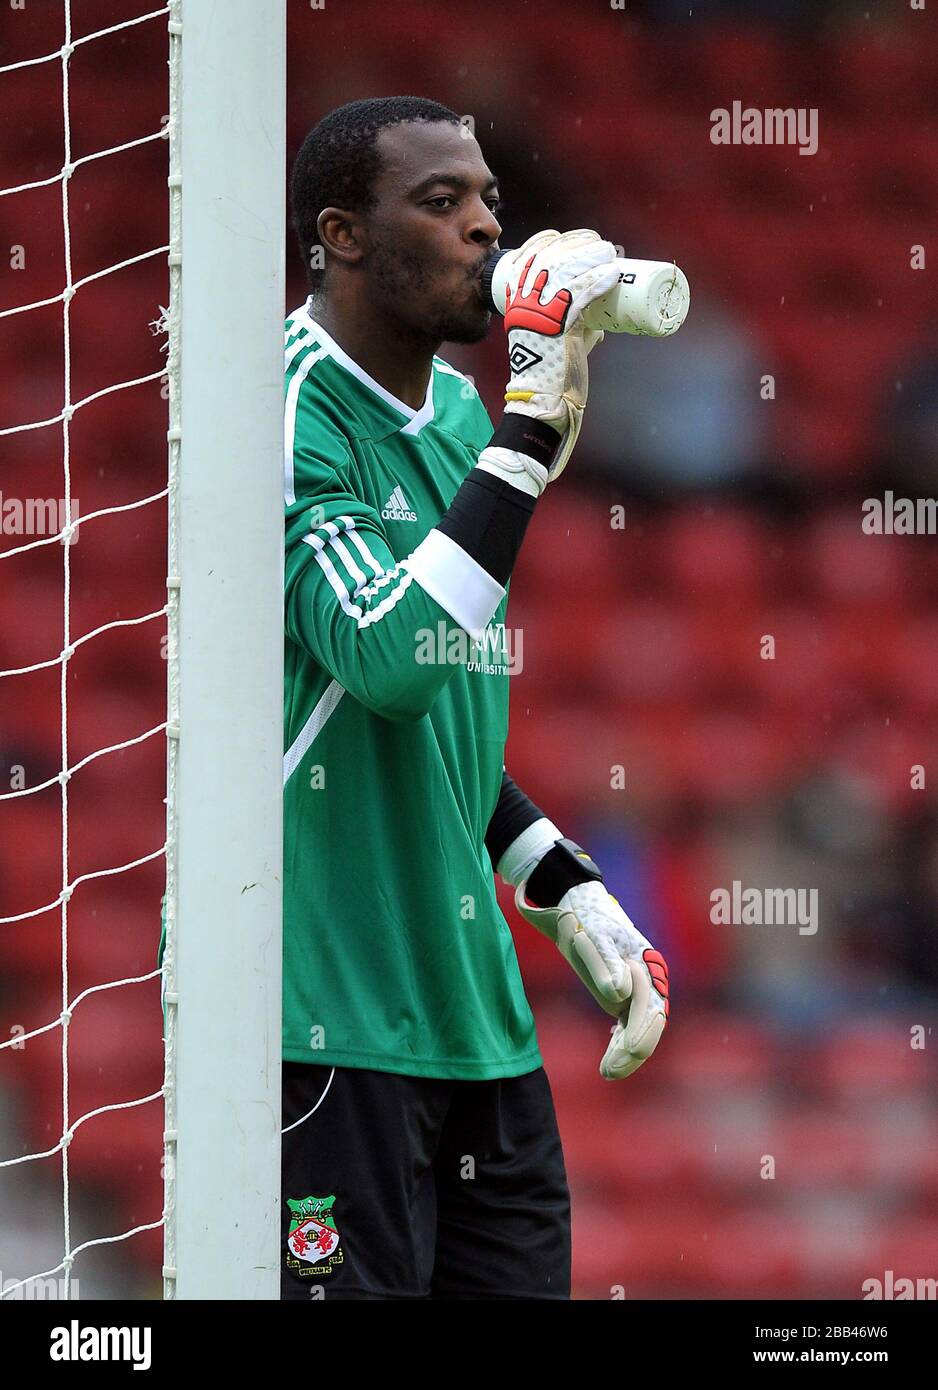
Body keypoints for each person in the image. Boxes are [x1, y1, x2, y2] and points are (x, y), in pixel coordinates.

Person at [281, 95, 670, 1301]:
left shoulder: (455, 414)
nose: (483, 230)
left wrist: (561, 886)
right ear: (343, 234)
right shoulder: (281, 402)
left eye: (489, 198)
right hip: (323, 1026)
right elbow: (382, 660)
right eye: (440, 202)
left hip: (476, 1033)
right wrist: (529, 436)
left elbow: (439, 730)